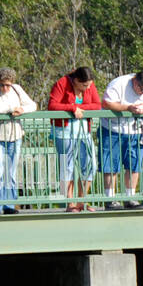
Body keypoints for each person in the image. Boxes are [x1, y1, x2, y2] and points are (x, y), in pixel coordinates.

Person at [100, 68, 143, 210]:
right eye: (141, 89)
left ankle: (130, 198)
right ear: (135, 81)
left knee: (134, 165)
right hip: (112, 129)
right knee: (110, 165)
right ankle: (110, 200)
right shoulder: (118, 83)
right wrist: (128, 108)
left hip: (136, 130)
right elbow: (106, 103)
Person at [0, 67, 37, 214]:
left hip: (15, 136)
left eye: (8, 85)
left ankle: (9, 204)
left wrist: (22, 110)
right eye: (2, 85)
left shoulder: (17, 89)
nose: (5, 88)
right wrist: (11, 108)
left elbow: (32, 105)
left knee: (11, 172)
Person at [48, 66, 101, 212]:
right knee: (67, 167)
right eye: (84, 85)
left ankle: (82, 201)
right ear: (76, 81)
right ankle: (70, 203)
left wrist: (78, 107)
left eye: (89, 84)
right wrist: (72, 108)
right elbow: (52, 105)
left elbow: (97, 105)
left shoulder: (90, 85)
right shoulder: (62, 83)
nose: (88, 87)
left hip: (84, 132)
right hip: (64, 133)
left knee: (91, 165)